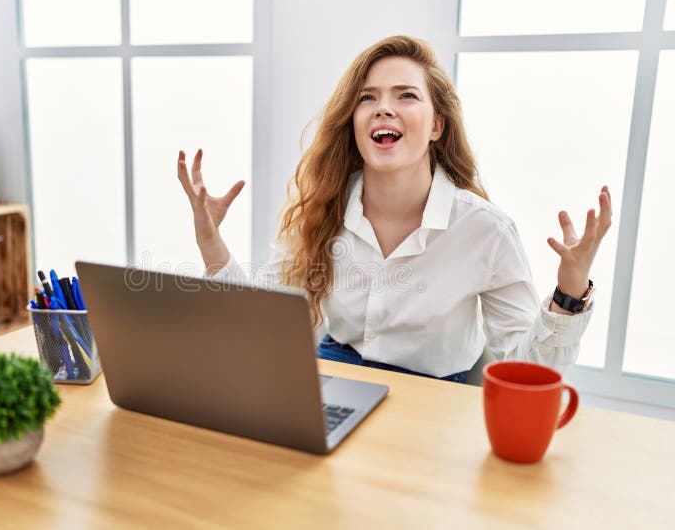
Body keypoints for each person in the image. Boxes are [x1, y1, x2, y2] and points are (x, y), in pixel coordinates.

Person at [176, 35, 612, 384]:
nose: (384, 107)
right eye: (368, 98)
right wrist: (210, 241)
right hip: (333, 377)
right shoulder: (322, 208)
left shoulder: (485, 230)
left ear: (437, 125)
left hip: (433, 399)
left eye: (406, 95)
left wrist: (569, 292)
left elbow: (529, 373)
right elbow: (260, 323)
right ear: (353, 121)